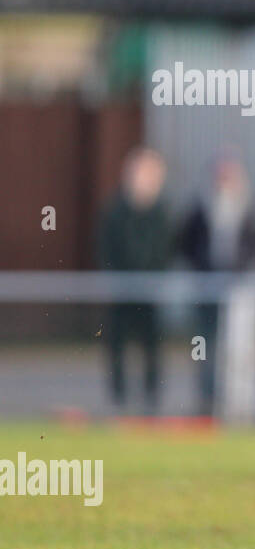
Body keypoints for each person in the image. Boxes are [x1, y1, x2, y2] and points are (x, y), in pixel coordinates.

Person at [177, 153, 255, 416]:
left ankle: (239, 404)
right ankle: (207, 399)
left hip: (240, 287)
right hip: (207, 286)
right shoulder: (200, 207)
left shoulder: (250, 209)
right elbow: (186, 243)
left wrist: (240, 271)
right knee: (206, 344)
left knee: (240, 348)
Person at [98, 146, 172, 414]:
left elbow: (165, 250)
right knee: (116, 344)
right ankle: (118, 400)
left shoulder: (162, 211)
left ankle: (151, 399)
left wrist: (155, 279)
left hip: (150, 293)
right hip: (121, 291)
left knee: (152, 346)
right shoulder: (115, 210)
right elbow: (106, 249)